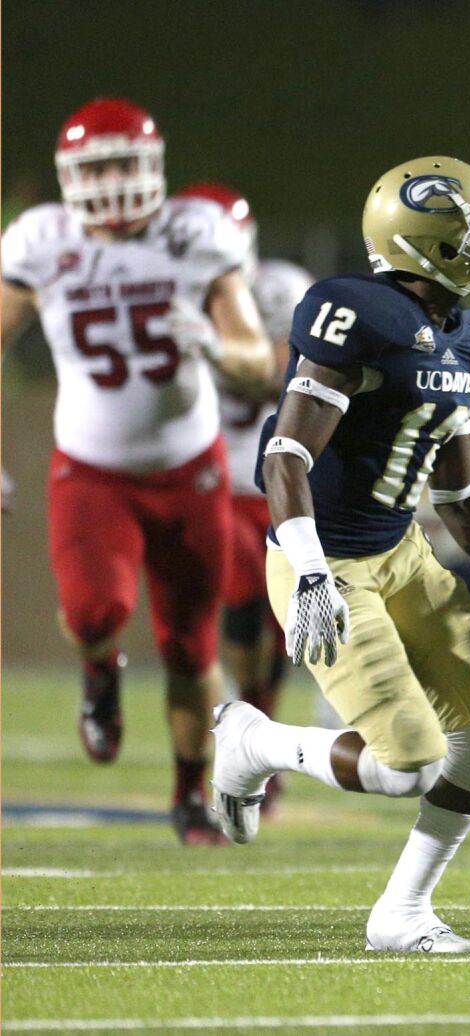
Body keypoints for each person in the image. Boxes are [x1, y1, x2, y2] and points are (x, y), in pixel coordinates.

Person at [207, 156, 470, 953]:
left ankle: (401, 913)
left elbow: (457, 497)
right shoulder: (354, 316)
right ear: (425, 243)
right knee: (406, 762)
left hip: (402, 553)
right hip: (326, 558)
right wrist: (306, 569)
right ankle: (254, 743)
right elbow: (284, 458)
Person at [0, 98, 273, 844]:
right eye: (100, 167)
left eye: (127, 164)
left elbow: (257, 361)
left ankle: (189, 796)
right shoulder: (41, 241)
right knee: (93, 613)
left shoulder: (196, 235)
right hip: (91, 471)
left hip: (190, 470)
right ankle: (100, 673)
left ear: (154, 169)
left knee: (192, 643)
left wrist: (216, 349)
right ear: (69, 177)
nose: (115, 181)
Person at [179, 182, 317, 817]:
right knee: (238, 614)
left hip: (278, 471)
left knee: (282, 625)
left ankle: (261, 738)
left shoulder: (279, 288)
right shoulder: (166, 288)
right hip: (215, 477)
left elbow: (291, 370)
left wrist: (217, 346)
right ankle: (253, 736)